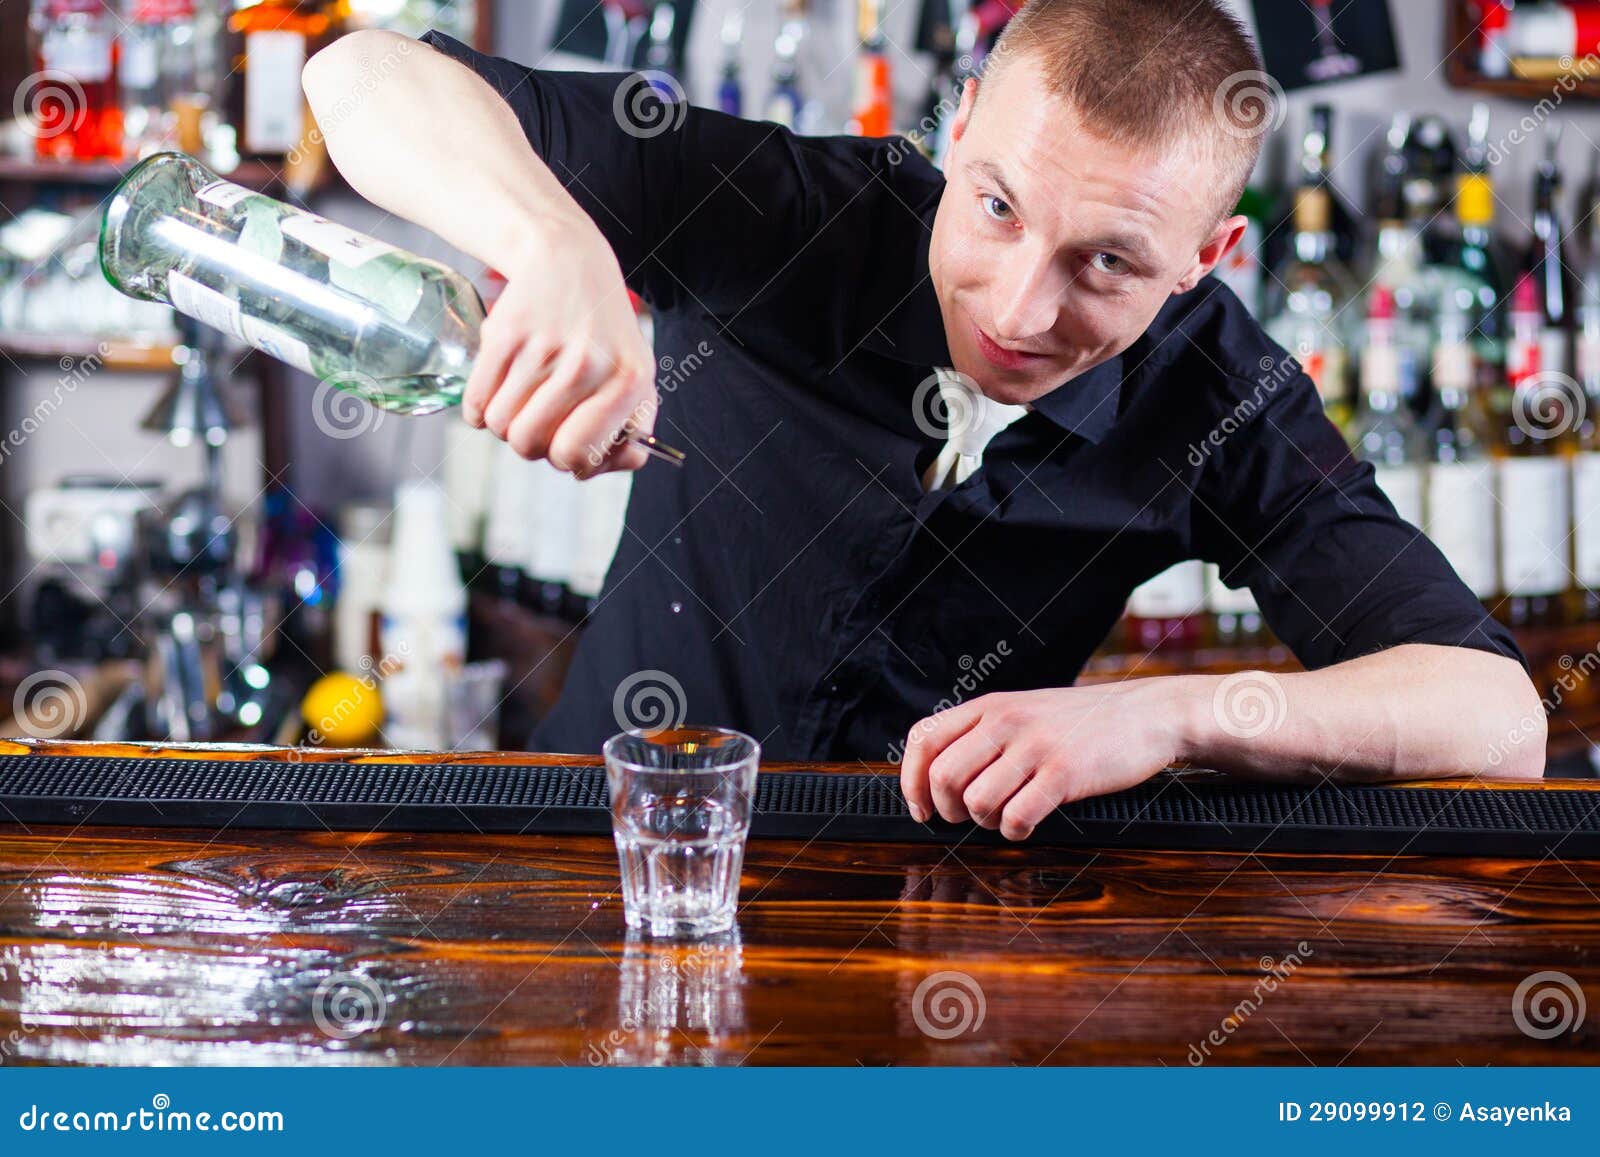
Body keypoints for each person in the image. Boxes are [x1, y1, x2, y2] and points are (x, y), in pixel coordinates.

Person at [303, 0, 1545, 842]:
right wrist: (554, 241)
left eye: (1107, 263)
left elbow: (1496, 718)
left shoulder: (1218, 393)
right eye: (996, 207)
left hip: (923, 940)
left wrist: (1169, 717)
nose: (1017, 306)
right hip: (597, 857)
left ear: (1203, 259)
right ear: (956, 135)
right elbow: (359, 73)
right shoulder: (794, 210)